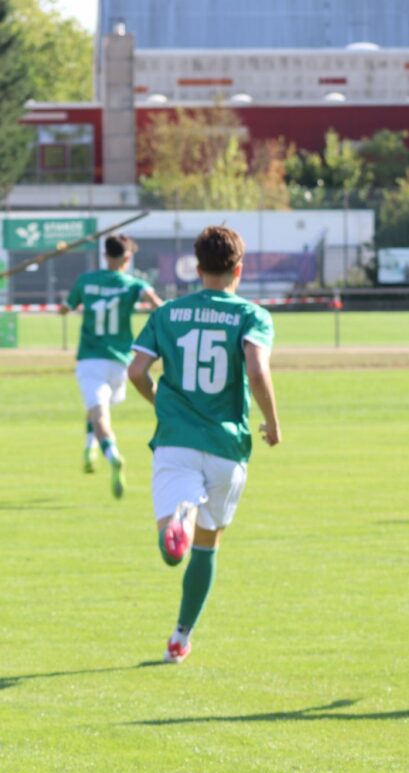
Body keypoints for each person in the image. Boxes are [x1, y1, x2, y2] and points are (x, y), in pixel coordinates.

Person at [127, 225, 281, 664]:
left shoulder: (168, 313)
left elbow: (137, 371)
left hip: (176, 440)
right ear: (239, 269)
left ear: (197, 269)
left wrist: (160, 401)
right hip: (227, 446)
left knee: (173, 544)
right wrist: (271, 422)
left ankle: (178, 518)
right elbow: (256, 371)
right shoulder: (252, 316)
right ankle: (180, 637)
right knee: (207, 545)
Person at [61, 233, 162, 498]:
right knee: (97, 409)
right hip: (120, 363)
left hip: (90, 359)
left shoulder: (86, 281)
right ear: (127, 258)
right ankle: (89, 446)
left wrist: (63, 307)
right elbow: (156, 303)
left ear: (105, 256)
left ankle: (112, 453)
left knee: (99, 414)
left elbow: (66, 307)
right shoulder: (133, 283)